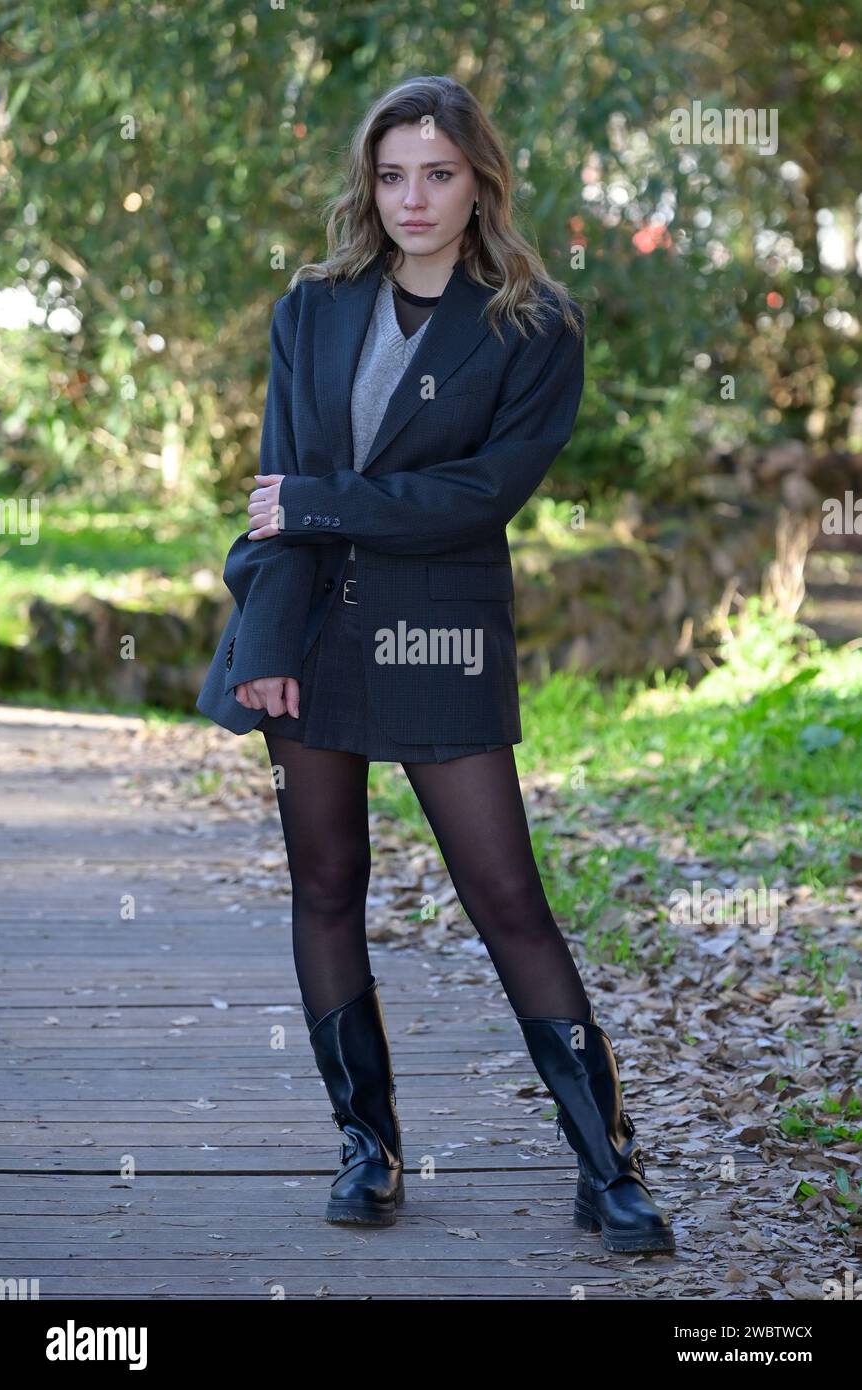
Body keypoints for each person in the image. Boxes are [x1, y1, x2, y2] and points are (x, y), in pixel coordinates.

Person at [196, 75, 674, 1254]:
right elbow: (270, 500)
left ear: (479, 182)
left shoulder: (531, 323)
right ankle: (369, 1145)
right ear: (369, 182)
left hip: (442, 635)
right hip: (306, 633)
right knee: (325, 887)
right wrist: (261, 644)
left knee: (507, 896)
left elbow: (476, 497)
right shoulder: (309, 308)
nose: (413, 197)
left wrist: (319, 500)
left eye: (439, 173)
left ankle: (605, 1165)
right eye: (391, 173)